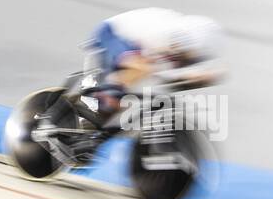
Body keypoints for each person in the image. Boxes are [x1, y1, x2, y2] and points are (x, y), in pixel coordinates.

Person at [61, 8, 222, 130]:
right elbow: (154, 70)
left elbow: (171, 80)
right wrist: (185, 76)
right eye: (189, 56)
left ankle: (91, 121)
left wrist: (196, 79)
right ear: (185, 41)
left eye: (194, 59)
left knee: (116, 105)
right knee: (141, 70)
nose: (188, 61)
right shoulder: (165, 33)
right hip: (112, 33)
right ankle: (96, 100)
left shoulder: (185, 43)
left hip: (134, 47)